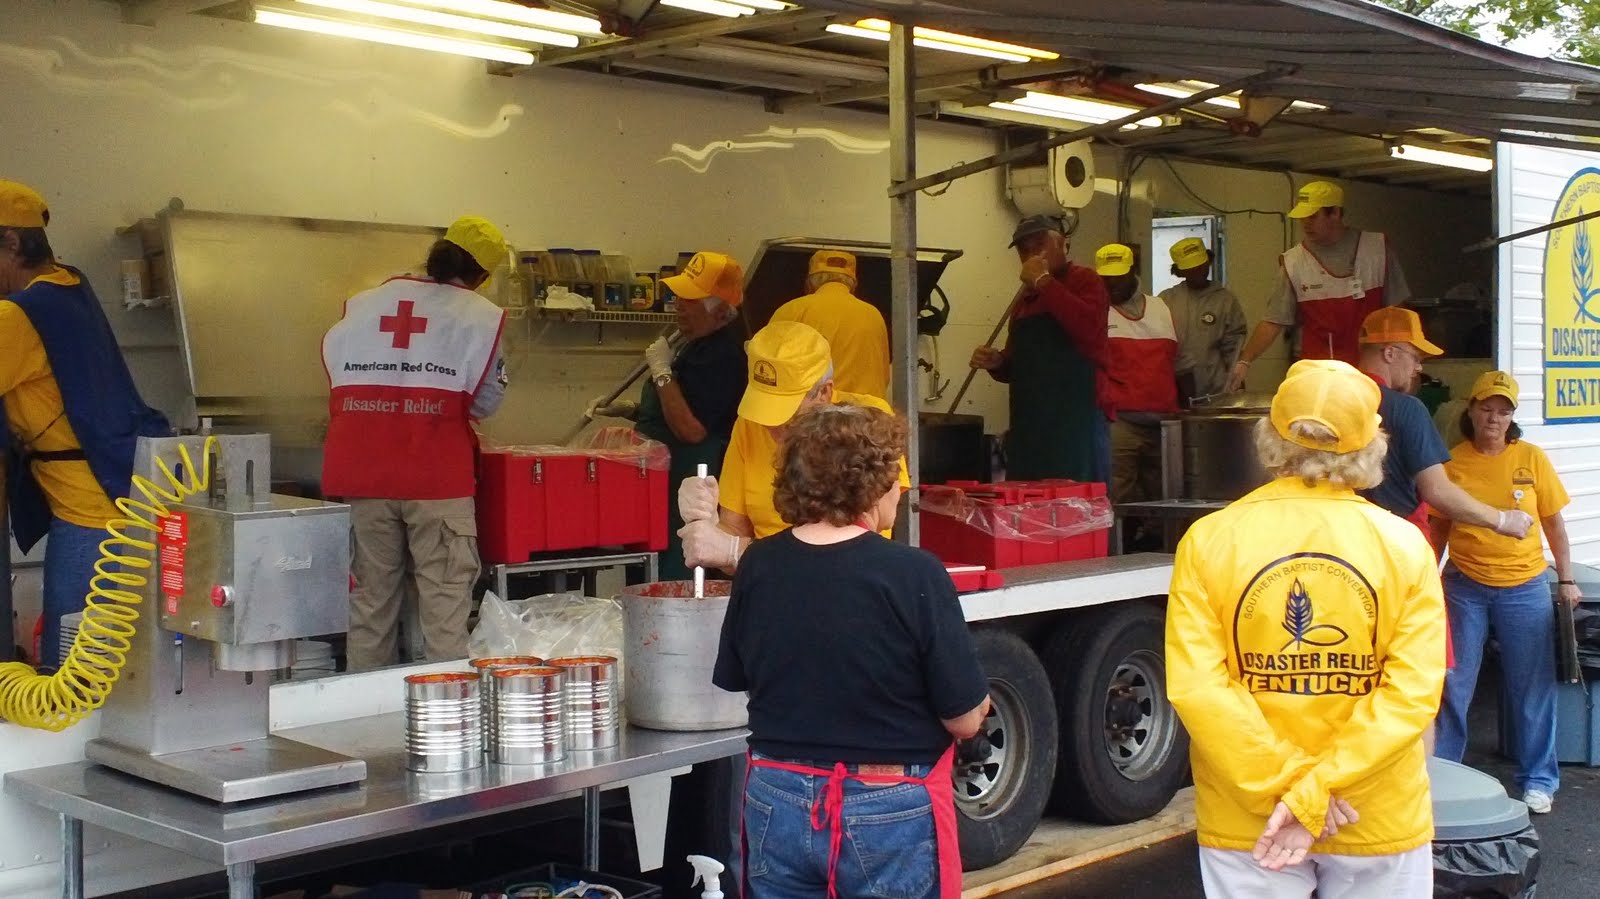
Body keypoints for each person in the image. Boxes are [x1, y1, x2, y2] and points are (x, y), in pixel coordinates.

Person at [1167, 359, 1446, 898]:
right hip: (1372, 811)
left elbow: (1198, 687)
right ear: (1373, 443)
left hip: (1251, 813)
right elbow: (1410, 694)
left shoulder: (1209, 540)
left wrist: (1291, 789)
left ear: (1268, 438)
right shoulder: (1404, 545)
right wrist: (1317, 791)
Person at [712, 403, 990, 899]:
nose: (900, 489)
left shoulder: (758, 566)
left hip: (776, 794)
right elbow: (965, 721)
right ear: (875, 483)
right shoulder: (914, 573)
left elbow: (739, 678)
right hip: (884, 806)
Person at [322, 216, 509, 670]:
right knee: (444, 612)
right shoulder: (479, 317)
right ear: (483, 275)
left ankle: (364, 724)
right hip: (436, 480)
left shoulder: (363, 305)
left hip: (362, 477)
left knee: (369, 608)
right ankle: (447, 726)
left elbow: (337, 384)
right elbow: (484, 402)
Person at [0, 180, 170, 669]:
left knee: (70, 663)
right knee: (103, 653)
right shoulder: (68, 284)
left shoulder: (19, 314)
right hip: (122, 485)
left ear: (11, 243)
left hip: (93, 506)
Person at [1431, 371, 1581, 815]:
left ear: (1512, 417)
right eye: (1486, 408)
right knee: (1454, 683)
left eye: (1503, 411)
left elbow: (1554, 522)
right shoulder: (1450, 462)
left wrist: (1567, 580)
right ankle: (1444, 773)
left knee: (1531, 684)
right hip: (1465, 585)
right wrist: (1426, 580)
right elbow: (1439, 525)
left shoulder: (1531, 458)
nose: (1493, 418)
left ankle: (1538, 779)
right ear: (1471, 411)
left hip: (1525, 586)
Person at [676, 321, 905, 572]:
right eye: (763, 409)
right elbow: (730, 539)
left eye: (785, 414)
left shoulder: (867, 425)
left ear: (824, 393)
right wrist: (708, 523)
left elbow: (847, 557)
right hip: (766, 587)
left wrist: (735, 551)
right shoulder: (749, 426)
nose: (771, 425)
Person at [587, 251, 747, 581]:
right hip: (664, 484)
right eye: (678, 296)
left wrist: (661, 373)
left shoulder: (722, 355)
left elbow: (691, 430)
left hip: (692, 477)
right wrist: (632, 410)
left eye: (689, 299)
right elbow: (682, 405)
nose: (678, 305)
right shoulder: (694, 345)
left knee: (680, 571)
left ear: (718, 310)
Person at [1354, 308, 1532, 539]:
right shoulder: (1408, 408)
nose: (1419, 368)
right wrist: (1501, 520)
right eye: (1416, 357)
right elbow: (1438, 491)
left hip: (1347, 544)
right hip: (1401, 545)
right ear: (1389, 353)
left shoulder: (1330, 399)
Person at [1226, 181, 1412, 388]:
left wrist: (1408, 361)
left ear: (1335, 213)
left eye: (1313, 216)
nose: (1306, 223)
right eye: (1302, 218)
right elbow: (1273, 320)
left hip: (1371, 370)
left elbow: (1398, 312)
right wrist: (1245, 360)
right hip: (1320, 375)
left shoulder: (1377, 249)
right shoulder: (1294, 262)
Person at [970, 214, 1111, 481]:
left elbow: (1089, 330)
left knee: (1078, 505)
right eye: (1023, 249)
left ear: (1063, 244)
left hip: (1077, 426)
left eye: (1039, 244)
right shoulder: (1024, 299)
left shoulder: (1086, 280)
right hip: (1030, 428)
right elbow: (1015, 367)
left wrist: (1045, 282)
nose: (1031, 253)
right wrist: (997, 362)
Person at [1097, 243, 1188, 534]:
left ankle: (1162, 555)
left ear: (1134, 271)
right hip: (1119, 421)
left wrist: (1189, 412)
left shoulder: (1162, 308)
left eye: (1118, 275)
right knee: (1116, 496)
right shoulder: (1096, 313)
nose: (1111, 283)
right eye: (1105, 277)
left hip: (1165, 423)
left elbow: (1183, 365)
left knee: (1166, 497)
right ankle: (1114, 560)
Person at [768, 249, 889, 399]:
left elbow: (769, 374)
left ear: (810, 280)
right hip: (867, 415)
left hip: (816, 415)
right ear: (853, 282)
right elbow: (884, 376)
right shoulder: (874, 315)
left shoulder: (791, 311)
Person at [1160, 237, 1246, 399]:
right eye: (1191, 268)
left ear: (1208, 262)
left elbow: (1234, 346)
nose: (1198, 271)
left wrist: (1237, 381)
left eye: (1201, 265)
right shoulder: (1166, 299)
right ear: (1180, 271)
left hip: (1216, 388)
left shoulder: (1224, 300)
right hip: (1176, 389)